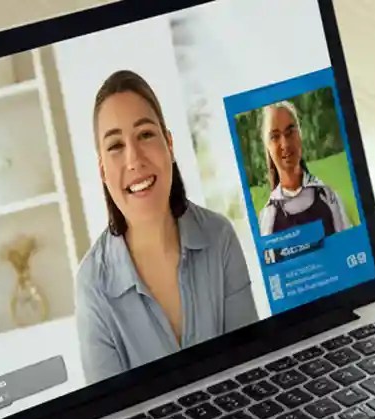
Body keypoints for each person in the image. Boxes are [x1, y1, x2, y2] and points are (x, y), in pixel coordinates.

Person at [75, 70, 258, 384]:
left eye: (145, 134)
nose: (134, 159)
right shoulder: (92, 284)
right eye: (116, 145)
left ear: (169, 144)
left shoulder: (220, 237)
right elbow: (112, 416)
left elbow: (251, 370)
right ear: (102, 169)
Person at [256, 100, 353, 237]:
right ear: (267, 147)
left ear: (300, 134)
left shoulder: (329, 198)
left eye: (290, 132)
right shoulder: (267, 219)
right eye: (275, 136)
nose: (285, 144)